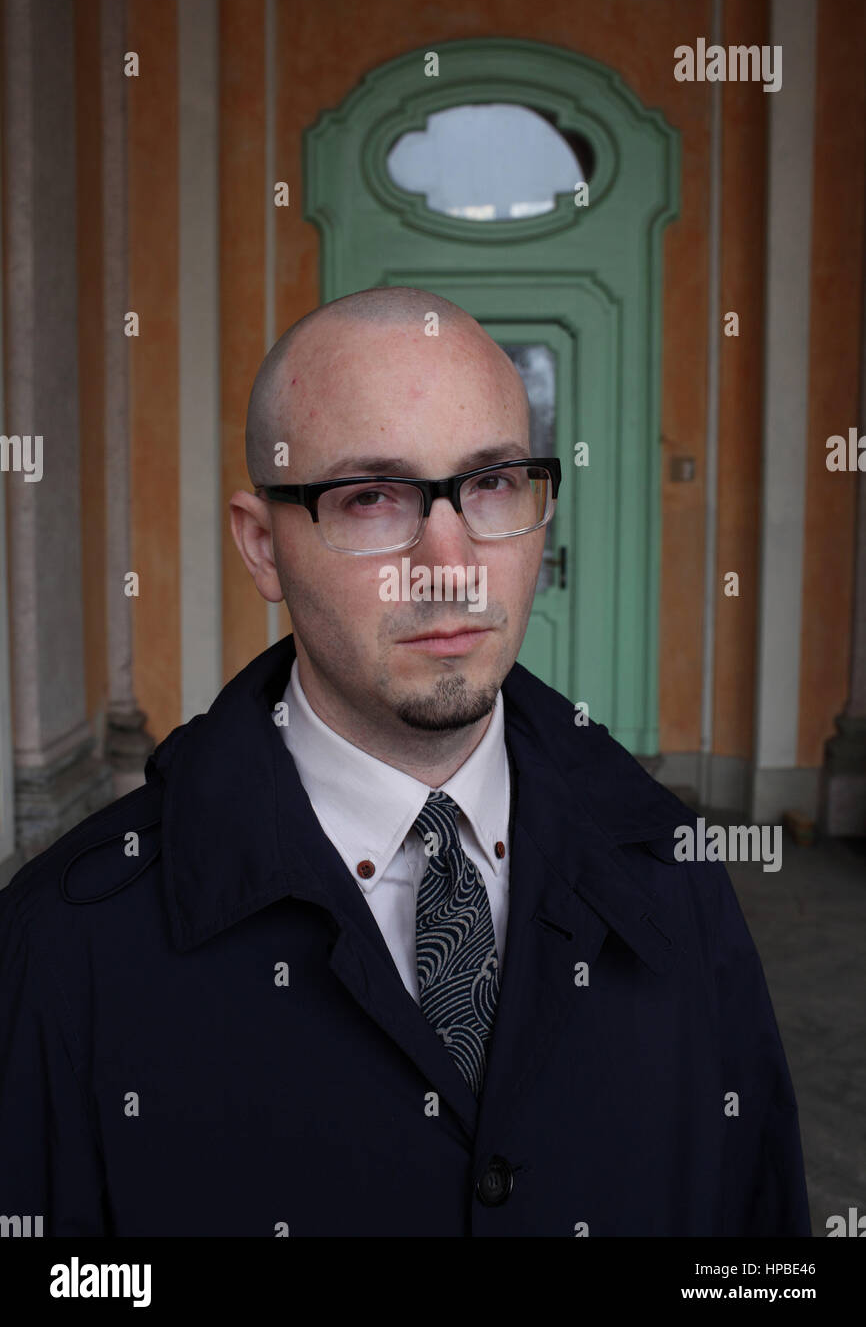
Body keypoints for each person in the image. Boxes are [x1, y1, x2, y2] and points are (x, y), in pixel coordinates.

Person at [0, 286, 810, 1236]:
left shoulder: (676, 871)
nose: (449, 562)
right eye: (372, 497)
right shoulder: (63, 945)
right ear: (263, 547)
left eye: (495, 484)